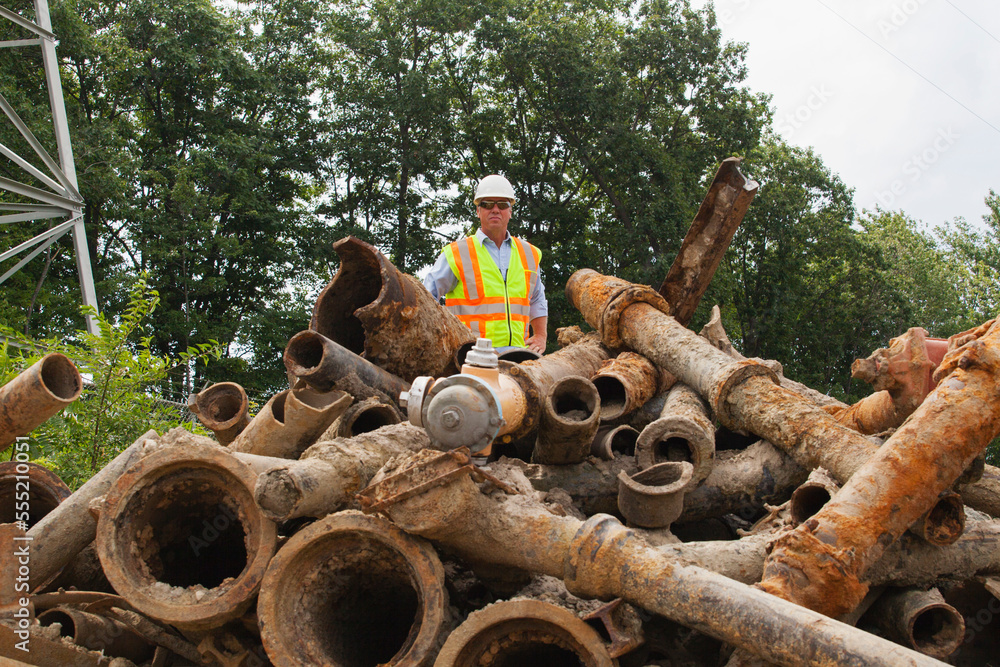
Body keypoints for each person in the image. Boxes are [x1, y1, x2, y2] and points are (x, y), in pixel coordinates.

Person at [423, 174, 548, 354]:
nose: (495, 209)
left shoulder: (529, 254)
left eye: (503, 204)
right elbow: (427, 297)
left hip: (519, 357)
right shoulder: (456, 253)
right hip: (471, 357)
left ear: (510, 211)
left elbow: (537, 298)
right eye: (488, 204)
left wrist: (541, 336)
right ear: (478, 211)